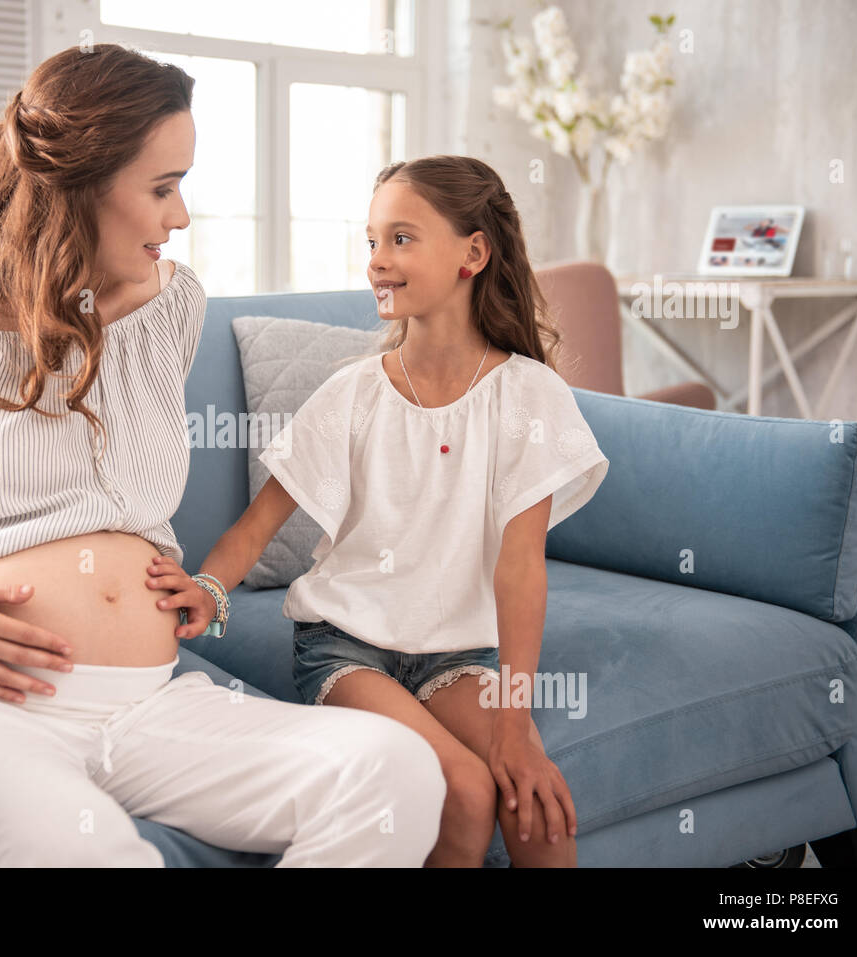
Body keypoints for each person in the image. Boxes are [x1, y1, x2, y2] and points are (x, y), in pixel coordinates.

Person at [0, 43, 446, 868]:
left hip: (147, 708)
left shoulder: (174, 306)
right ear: (80, 185)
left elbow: (117, 492)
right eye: (163, 188)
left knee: (394, 773)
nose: (182, 217)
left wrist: (173, 569)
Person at [148, 156, 610, 867]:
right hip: (345, 645)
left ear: (473, 253)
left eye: (401, 239)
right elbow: (258, 524)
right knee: (464, 790)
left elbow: (521, 571)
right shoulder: (353, 392)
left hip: (458, 655)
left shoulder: (528, 396)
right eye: (371, 241)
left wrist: (515, 722)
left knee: (536, 808)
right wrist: (207, 589)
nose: (377, 262)